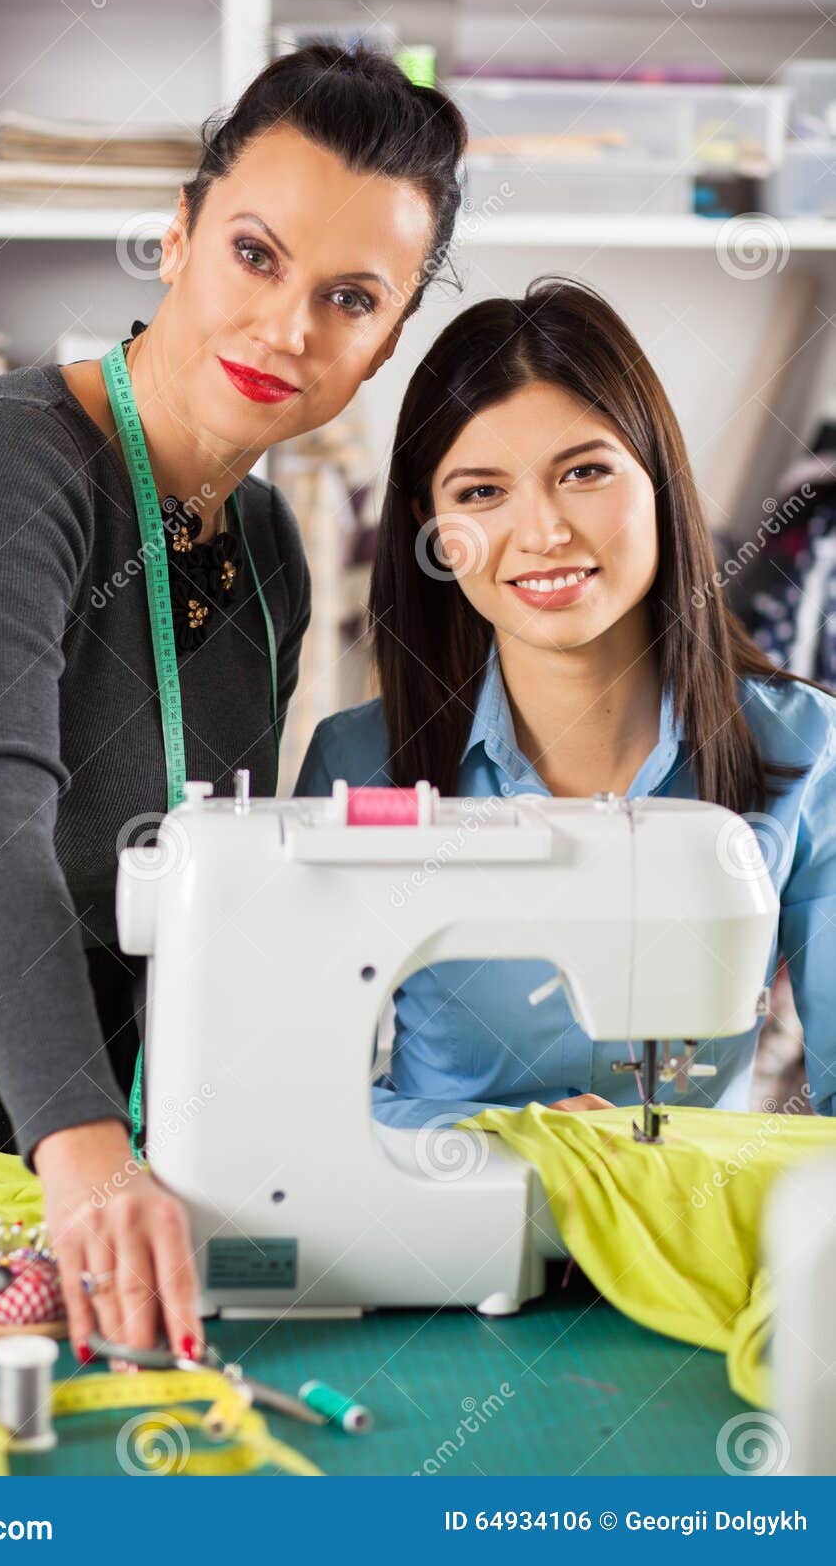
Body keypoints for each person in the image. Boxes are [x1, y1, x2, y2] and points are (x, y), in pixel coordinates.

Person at [0, 43, 467, 1361]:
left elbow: (215, 867)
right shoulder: (10, 457)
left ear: (382, 343)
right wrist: (84, 1151)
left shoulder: (264, 546)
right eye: (254, 255)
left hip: (90, 1092)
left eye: (349, 297)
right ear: (177, 236)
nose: (285, 329)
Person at [295, 276, 836, 1130]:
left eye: (583, 472)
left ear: (658, 476)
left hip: (686, 1241)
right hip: (438, 1236)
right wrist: (493, 1140)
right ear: (428, 526)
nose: (542, 532)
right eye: (480, 492)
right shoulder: (362, 766)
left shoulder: (804, 749)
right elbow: (294, 1094)